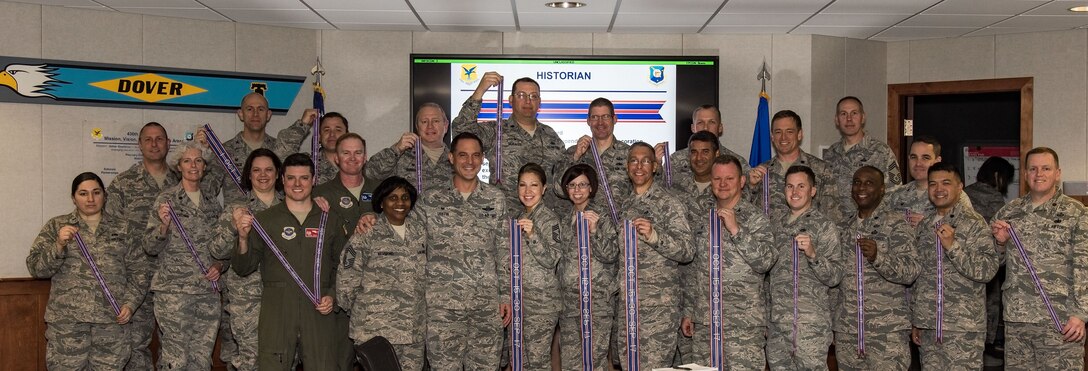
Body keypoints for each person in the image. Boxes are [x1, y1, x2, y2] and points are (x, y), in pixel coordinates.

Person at [233, 153, 350, 370]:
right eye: (291, 178)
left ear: (313, 180)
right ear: (282, 180)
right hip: (277, 309)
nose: (298, 184)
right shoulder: (265, 220)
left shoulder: (330, 220)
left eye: (304, 178)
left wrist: (332, 295)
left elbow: (344, 267)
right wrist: (242, 238)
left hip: (318, 310)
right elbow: (243, 267)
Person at [27, 172, 149, 370]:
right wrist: (58, 245)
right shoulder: (56, 226)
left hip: (111, 323)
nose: (90, 199)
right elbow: (36, 268)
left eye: (96, 192)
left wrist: (130, 304)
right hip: (68, 324)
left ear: (105, 195)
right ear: (73, 198)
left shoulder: (124, 228)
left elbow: (140, 272)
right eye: (83, 193)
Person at [414, 132, 511, 370]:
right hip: (442, 307)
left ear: (482, 159)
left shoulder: (495, 199)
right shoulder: (430, 199)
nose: (470, 161)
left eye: (476, 155)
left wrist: (506, 295)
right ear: (450, 157)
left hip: (486, 307)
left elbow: (504, 249)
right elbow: (413, 246)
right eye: (463, 155)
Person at [991, 147, 1088, 369]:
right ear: (1025, 174)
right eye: (1033, 169)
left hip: (1060, 320)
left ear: (1058, 173)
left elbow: (1084, 265)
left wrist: (1080, 314)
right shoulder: (1009, 212)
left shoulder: (1077, 213)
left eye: (1046, 168)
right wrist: (1000, 243)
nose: (1039, 174)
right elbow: (992, 264)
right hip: (1018, 320)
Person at [680, 154, 774, 368]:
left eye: (729, 179)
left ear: (741, 181)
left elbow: (766, 262)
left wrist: (736, 230)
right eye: (717, 179)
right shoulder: (704, 218)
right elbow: (696, 269)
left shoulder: (756, 219)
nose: (722, 184)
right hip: (706, 323)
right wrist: (689, 311)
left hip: (742, 324)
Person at [909, 161, 1000, 369]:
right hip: (929, 326)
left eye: (946, 183)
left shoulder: (974, 223)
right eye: (933, 184)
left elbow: (987, 270)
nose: (939, 189)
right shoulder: (924, 226)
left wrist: (953, 247)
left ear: (960, 188)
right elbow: (919, 277)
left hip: (962, 328)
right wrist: (917, 319)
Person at [144, 143, 226, 370]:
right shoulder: (166, 200)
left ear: (205, 166)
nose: (193, 165)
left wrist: (220, 265)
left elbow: (223, 247)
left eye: (198, 160)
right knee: (175, 360)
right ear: (178, 166)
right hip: (174, 292)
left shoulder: (212, 203)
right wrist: (163, 226)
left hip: (206, 293)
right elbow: (149, 247)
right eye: (187, 161)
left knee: (201, 359)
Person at [832, 166, 919, 370]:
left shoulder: (896, 224)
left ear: (882, 190)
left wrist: (879, 257)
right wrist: (834, 324)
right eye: (857, 182)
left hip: (886, 333)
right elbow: (834, 281)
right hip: (848, 331)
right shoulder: (843, 228)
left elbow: (911, 271)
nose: (861, 188)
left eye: (869, 183)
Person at [617, 142, 694, 368]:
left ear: (655, 167)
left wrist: (654, 236)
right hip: (628, 306)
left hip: (658, 309)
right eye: (633, 160)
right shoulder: (624, 204)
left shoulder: (668, 202)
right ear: (627, 166)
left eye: (645, 161)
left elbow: (687, 250)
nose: (639, 166)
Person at [104, 122, 175, 370]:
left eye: (159, 139)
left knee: (177, 348)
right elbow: (111, 232)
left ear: (168, 144)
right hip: (138, 279)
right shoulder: (123, 184)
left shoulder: (183, 181)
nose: (154, 144)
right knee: (136, 347)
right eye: (148, 139)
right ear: (140, 144)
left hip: (175, 278)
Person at [337, 176, 426, 371]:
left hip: (413, 330)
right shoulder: (367, 232)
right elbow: (347, 278)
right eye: (392, 198)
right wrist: (365, 313)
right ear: (381, 202)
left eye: (405, 198)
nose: (400, 203)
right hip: (376, 329)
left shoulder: (420, 232)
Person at [208, 149, 284, 371]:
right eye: (256, 170)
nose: (263, 175)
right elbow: (217, 250)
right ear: (249, 175)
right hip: (248, 300)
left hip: (284, 298)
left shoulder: (290, 206)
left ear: (278, 174)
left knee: (284, 358)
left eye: (269, 169)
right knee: (251, 361)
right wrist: (233, 225)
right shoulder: (236, 208)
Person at [765, 165, 843, 370]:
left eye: (801, 186)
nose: (795, 192)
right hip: (778, 326)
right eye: (790, 186)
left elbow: (835, 276)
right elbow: (767, 278)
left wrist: (813, 255)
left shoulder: (825, 226)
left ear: (813, 191)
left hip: (809, 328)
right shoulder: (774, 226)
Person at [452, 72, 565, 213]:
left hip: (542, 221)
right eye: (521, 95)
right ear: (511, 100)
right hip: (504, 219)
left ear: (539, 102)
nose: (528, 101)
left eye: (533, 96)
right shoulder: (496, 130)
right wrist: (480, 91)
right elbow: (460, 131)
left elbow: (560, 181)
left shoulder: (551, 135)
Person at [554, 164, 618, 370]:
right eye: (572, 185)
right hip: (569, 303)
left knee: (594, 362)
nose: (577, 190)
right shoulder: (564, 220)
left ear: (591, 188)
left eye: (583, 184)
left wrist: (594, 231)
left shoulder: (604, 217)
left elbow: (610, 255)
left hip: (596, 302)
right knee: (571, 363)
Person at [507, 163, 562, 368]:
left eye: (534, 185)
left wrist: (532, 235)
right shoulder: (519, 218)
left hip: (541, 303)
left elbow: (551, 259)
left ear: (544, 188)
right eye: (522, 185)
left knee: (537, 362)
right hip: (519, 300)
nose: (528, 191)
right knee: (519, 361)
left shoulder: (549, 220)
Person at [747, 110, 843, 223]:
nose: (783, 138)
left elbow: (832, 216)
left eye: (789, 132)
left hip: (807, 238)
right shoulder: (760, 172)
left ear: (799, 134)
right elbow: (746, 212)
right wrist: (751, 187)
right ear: (772, 137)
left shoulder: (821, 170)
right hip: (769, 239)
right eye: (778, 132)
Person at [823, 96, 902, 217]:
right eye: (843, 114)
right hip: (835, 228)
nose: (849, 119)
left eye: (854, 113)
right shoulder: (830, 153)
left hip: (868, 225)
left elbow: (895, 193)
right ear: (837, 120)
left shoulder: (881, 152)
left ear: (863, 118)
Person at [556, 97, 631, 207]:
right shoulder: (574, 152)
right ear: (588, 121)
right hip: (582, 222)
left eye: (605, 117)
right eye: (595, 117)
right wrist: (575, 158)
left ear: (614, 119)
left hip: (616, 222)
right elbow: (558, 189)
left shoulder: (629, 154)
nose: (600, 122)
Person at [884, 136, 971, 227]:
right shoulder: (897, 195)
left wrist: (928, 225)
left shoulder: (953, 195)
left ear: (937, 161)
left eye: (925, 158)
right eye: (914, 157)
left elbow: (967, 231)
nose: (918, 163)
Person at [365, 103, 453, 192]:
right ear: (417, 127)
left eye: (436, 121)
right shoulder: (401, 155)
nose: (430, 126)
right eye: (424, 122)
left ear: (445, 125)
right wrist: (396, 150)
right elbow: (370, 172)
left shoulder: (457, 159)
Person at [654, 104, 750, 182]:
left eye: (711, 122)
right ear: (692, 128)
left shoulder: (737, 162)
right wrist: (656, 165)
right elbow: (660, 191)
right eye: (700, 123)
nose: (705, 128)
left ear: (720, 128)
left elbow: (748, 195)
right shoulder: (675, 160)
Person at [312, 133, 379, 237]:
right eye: (346, 153)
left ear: (365, 157)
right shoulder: (320, 193)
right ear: (337, 158)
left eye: (358, 152)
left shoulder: (381, 190)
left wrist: (376, 217)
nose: (352, 158)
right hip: (337, 253)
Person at [965, 156, 1015, 223]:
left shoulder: (965, 191)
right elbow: (1002, 223)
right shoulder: (994, 196)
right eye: (1005, 179)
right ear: (996, 175)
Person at [315, 112, 348, 184]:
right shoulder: (309, 164)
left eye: (338, 130)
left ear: (347, 136)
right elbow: (284, 151)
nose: (332, 134)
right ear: (319, 137)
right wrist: (302, 124)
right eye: (326, 130)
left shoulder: (358, 164)